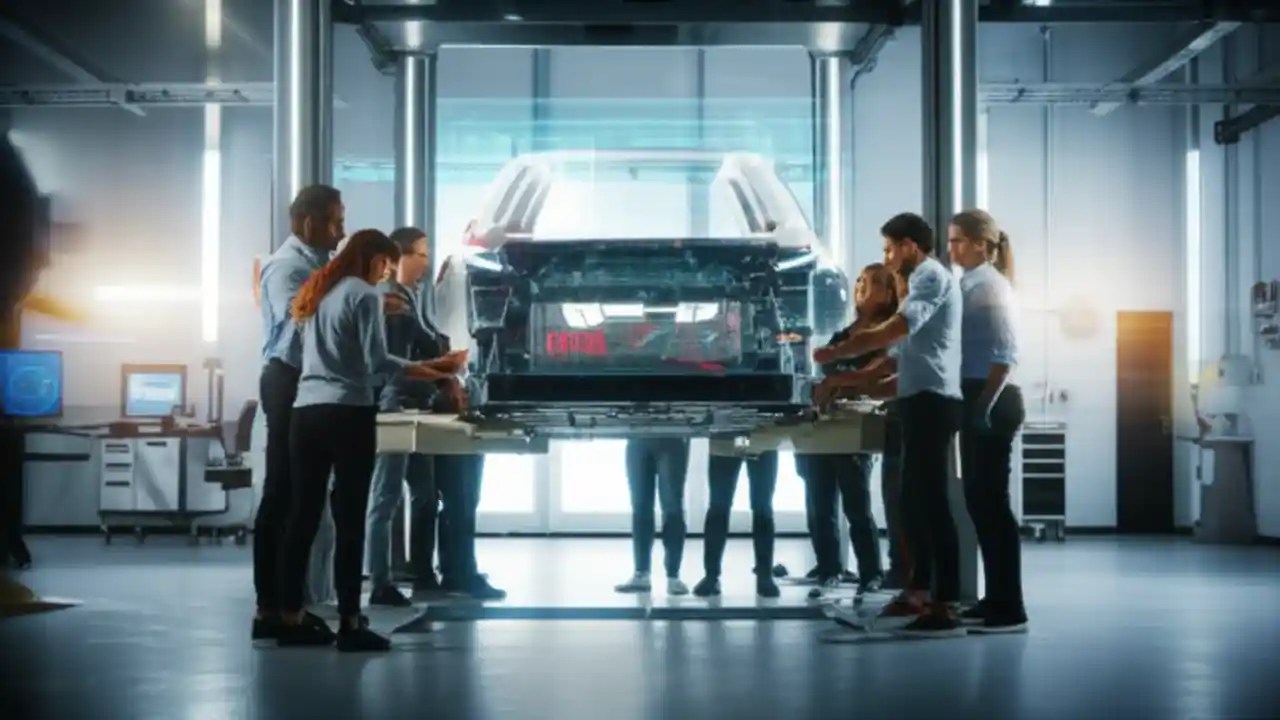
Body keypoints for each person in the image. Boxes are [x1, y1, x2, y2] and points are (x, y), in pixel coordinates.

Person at [277, 229, 461, 652]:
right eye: (386, 263)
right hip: (348, 412)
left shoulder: (318, 291)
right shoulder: (363, 295)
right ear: (374, 259)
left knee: (302, 518)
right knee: (351, 519)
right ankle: (349, 623)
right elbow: (377, 362)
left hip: (306, 412)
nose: (387, 272)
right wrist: (433, 368)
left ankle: (287, 616)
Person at [814, 212, 964, 638]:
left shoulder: (930, 278)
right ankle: (917, 592)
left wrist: (840, 350)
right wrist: (845, 378)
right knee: (912, 502)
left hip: (935, 403)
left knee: (932, 504)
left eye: (889, 249)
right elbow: (896, 358)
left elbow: (894, 331)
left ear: (909, 247)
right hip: (916, 401)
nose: (887, 258)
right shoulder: (916, 284)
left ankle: (946, 604)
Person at [250, 185, 345, 643]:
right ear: (309, 224)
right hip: (286, 380)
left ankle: (282, 607)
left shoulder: (313, 267)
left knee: (294, 497)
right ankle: (275, 610)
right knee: (284, 497)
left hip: (300, 383)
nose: (340, 231)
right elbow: (300, 328)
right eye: (335, 222)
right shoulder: (288, 267)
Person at [364, 227, 460, 606]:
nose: (426, 260)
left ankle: (420, 571)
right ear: (401, 256)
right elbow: (411, 350)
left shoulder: (410, 296)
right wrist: (443, 363)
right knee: (385, 497)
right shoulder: (388, 301)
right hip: (395, 403)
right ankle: (380, 581)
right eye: (421, 253)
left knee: (423, 495)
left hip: (416, 403)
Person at [947, 209, 1027, 633]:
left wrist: (981, 408)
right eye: (951, 240)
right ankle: (994, 597)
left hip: (991, 397)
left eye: (959, 240)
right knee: (980, 503)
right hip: (979, 396)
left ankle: (1009, 606)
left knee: (992, 505)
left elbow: (1004, 356)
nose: (951, 248)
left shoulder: (989, 287)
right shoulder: (970, 284)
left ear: (982, 243)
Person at [799, 263, 899, 598]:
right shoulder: (842, 335)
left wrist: (848, 388)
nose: (860, 286)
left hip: (856, 431)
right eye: (858, 281)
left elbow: (878, 379)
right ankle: (829, 569)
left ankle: (871, 572)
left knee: (856, 505)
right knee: (820, 504)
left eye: (868, 283)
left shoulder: (888, 336)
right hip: (824, 429)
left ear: (887, 293)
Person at [694, 450, 780, 599]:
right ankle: (711, 575)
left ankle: (764, 576)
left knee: (762, 508)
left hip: (762, 438)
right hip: (726, 440)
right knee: (719, 507)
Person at [615, 437, 690, 596]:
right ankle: (641, 573)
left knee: (672, 507)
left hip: (672, 437)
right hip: (638, 437)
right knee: (640, 507)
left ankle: (673, 576)